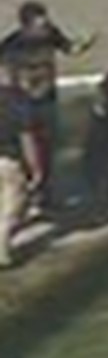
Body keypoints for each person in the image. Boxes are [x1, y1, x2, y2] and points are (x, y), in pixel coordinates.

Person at [0, 1, 93, 216]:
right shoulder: (14, 44)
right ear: (26, 24)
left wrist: (85, 44)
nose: (45, 24)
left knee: (49, 146)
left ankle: (45, 197)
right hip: (25, 102)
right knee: (29, 150)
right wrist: (16, 86)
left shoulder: (51, 34)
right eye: (39, 21)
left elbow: (69, 48)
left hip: (48, 99)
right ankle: (27, 195)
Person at [0, 73, 38, 269]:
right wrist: (35, 167)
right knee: (13, 208)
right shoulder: (17, 100)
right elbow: (27, 137)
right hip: (8, 161)